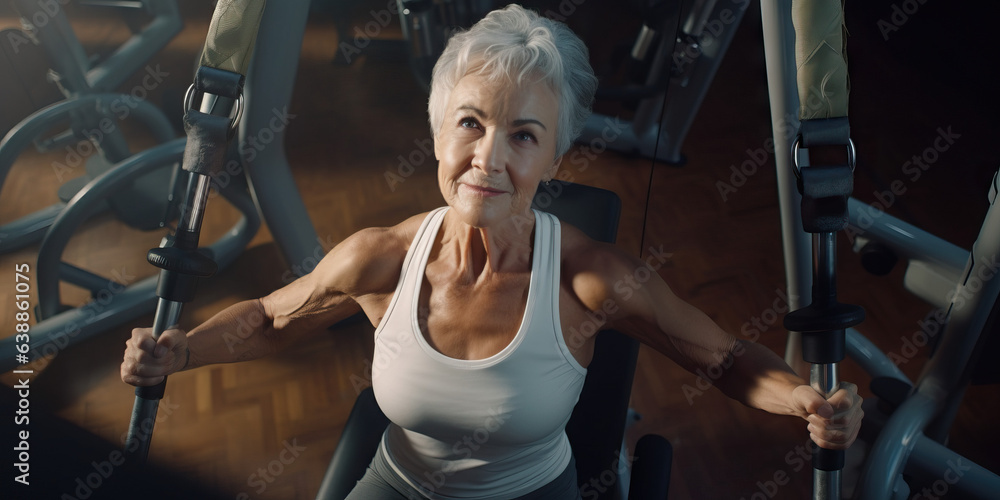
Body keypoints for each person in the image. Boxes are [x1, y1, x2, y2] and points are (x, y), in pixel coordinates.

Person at [121, 5, 863, 499]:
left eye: (523, 136)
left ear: (553, 158)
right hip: (399, 483)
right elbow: (269, 320)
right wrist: (180, 351)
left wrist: (803, 402)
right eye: (470, 123)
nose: (488, 158)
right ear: (440, 133)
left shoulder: (592, 281)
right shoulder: (377, 259)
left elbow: (728, 362)